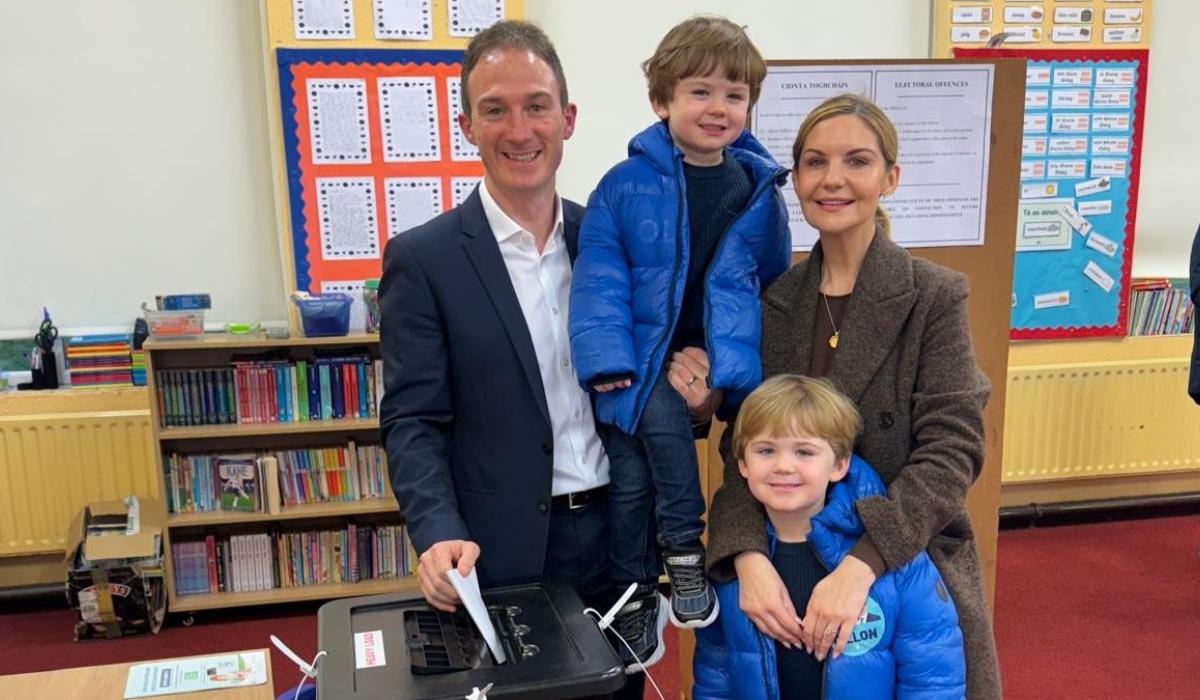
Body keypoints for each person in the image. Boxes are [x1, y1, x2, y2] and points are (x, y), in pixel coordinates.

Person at [672, 93, 1003, 698]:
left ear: (890, 177)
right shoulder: (775, 304)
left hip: (905, 562)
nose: (833, 180)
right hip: (784, 565)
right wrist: (745, 555)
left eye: (857, 161)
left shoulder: (933, 297)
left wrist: (864, 562)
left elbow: (951, 451)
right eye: (815, 162)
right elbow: (741, 448)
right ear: (794, 178)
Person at [377, 20, 651, 690]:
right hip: (501, 550)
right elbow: (413, 421)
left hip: (619, 536)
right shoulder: (424, 259)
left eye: (536, 105)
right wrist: (435, 530)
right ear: (466, 125)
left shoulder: (612, 240)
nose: (519, 130)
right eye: (495, 109)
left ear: (569, 118)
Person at [568, 14, 790, 639]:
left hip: (706, 360)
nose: (718, 107)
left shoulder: (756, 190)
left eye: (735, 94)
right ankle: (652, 583)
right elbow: (601, 274)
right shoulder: (624, 184)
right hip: (635, 362)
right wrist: (607, 359)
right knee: (632, 484)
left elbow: (769, 286)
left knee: (652, 465)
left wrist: (732, 370)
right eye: (700, 91)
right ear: (662, 101)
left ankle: (664, 572)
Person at [691, 374, 966, 699]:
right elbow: (715, 676)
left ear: (839, 464)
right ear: (743, 466)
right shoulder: (730, 571)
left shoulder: (902, 568)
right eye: (765, 450)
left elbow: (933, 683)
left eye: (804, 452)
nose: (783, 466)